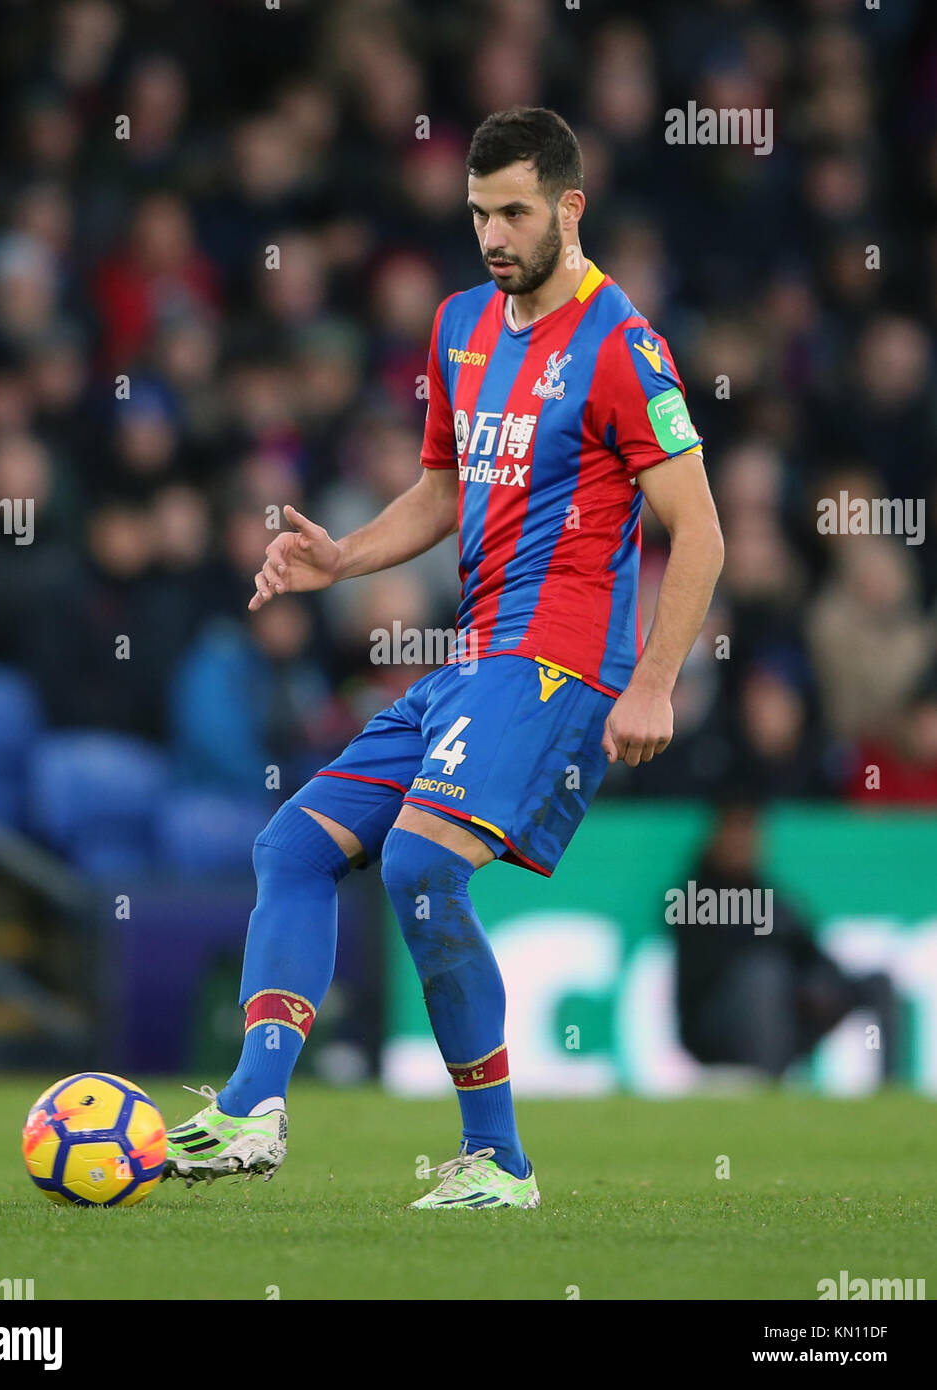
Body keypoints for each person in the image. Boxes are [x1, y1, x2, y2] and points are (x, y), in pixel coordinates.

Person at [163, 107, 724, 1208]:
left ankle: (499, 1161)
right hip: (469, 662)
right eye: (477, 213)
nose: (493, 235)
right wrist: (342, 559)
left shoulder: (624, 345)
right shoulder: (461, 325)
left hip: (559, 665)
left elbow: (698, 528)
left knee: (421, 866)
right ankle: (253, 1108)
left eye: (515, 211)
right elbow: (441, 490)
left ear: (570, 206)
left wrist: (656, 678)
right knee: (294, 846)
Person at [673, 797, 898, 1081]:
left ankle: (891, 1088)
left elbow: (811, 952)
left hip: (788, 1013)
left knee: (876, 984)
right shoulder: (692, 899)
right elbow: (709, 971)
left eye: (750, 833)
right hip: (716, 1028)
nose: (742, 843)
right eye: (735, 831)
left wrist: (816, 983)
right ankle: (770, 1088)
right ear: (716, 837)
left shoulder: (771, 899)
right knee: (764, 973)